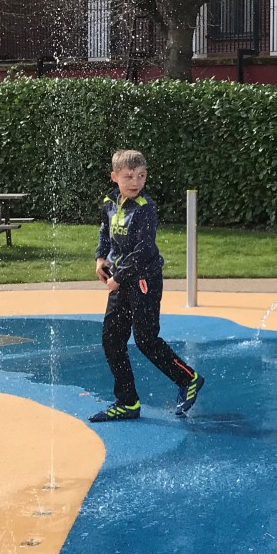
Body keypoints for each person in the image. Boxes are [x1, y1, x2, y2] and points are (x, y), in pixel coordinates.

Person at [88, 150, 205, 422]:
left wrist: (118, 277)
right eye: (128, 176)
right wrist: (100, 259)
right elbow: (105, 233)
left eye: (141, 176)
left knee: (146, 340)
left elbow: (143, 250)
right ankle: (127, 402)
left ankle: (188, 379)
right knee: (112, 340)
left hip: (143, 280)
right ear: (114, 177)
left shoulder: (145, 207)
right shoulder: (110, 202)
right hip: (121, 279)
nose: (135, 182)